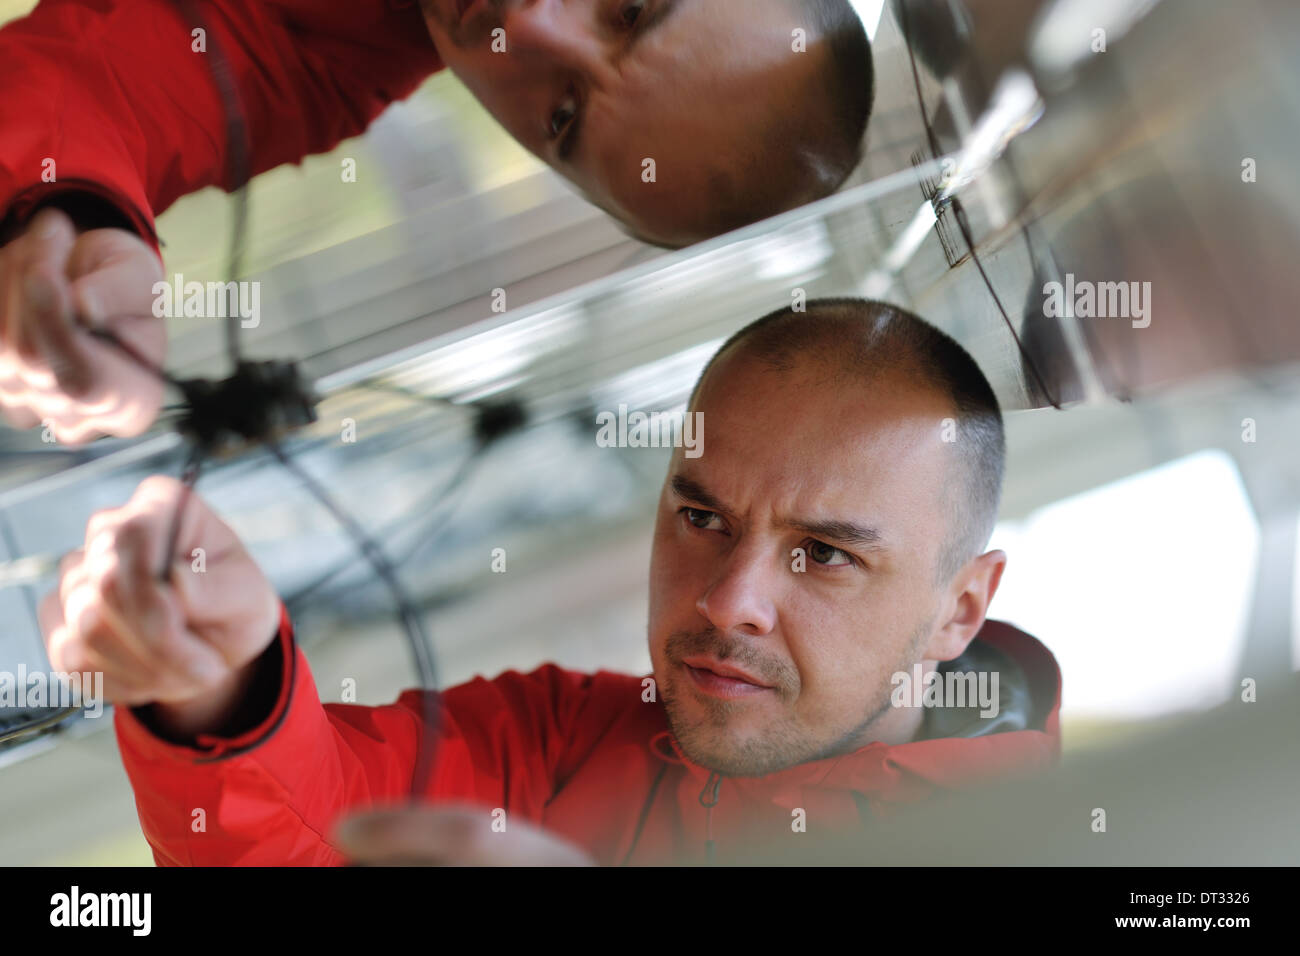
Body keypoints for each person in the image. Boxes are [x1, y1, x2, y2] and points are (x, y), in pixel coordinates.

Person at [39, 298, 1062, 866]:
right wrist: (221, 680)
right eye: (700, 516)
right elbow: (317, 822)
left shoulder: (1067, 838)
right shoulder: (562, 736)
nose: (724, 600)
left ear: (959, 606)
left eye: (825, 553)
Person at [0, 0, 874, 444]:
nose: (527, 25)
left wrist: (80, 227)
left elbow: (113, 94)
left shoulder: (324, 56)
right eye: (633, 6)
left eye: (562, 117)